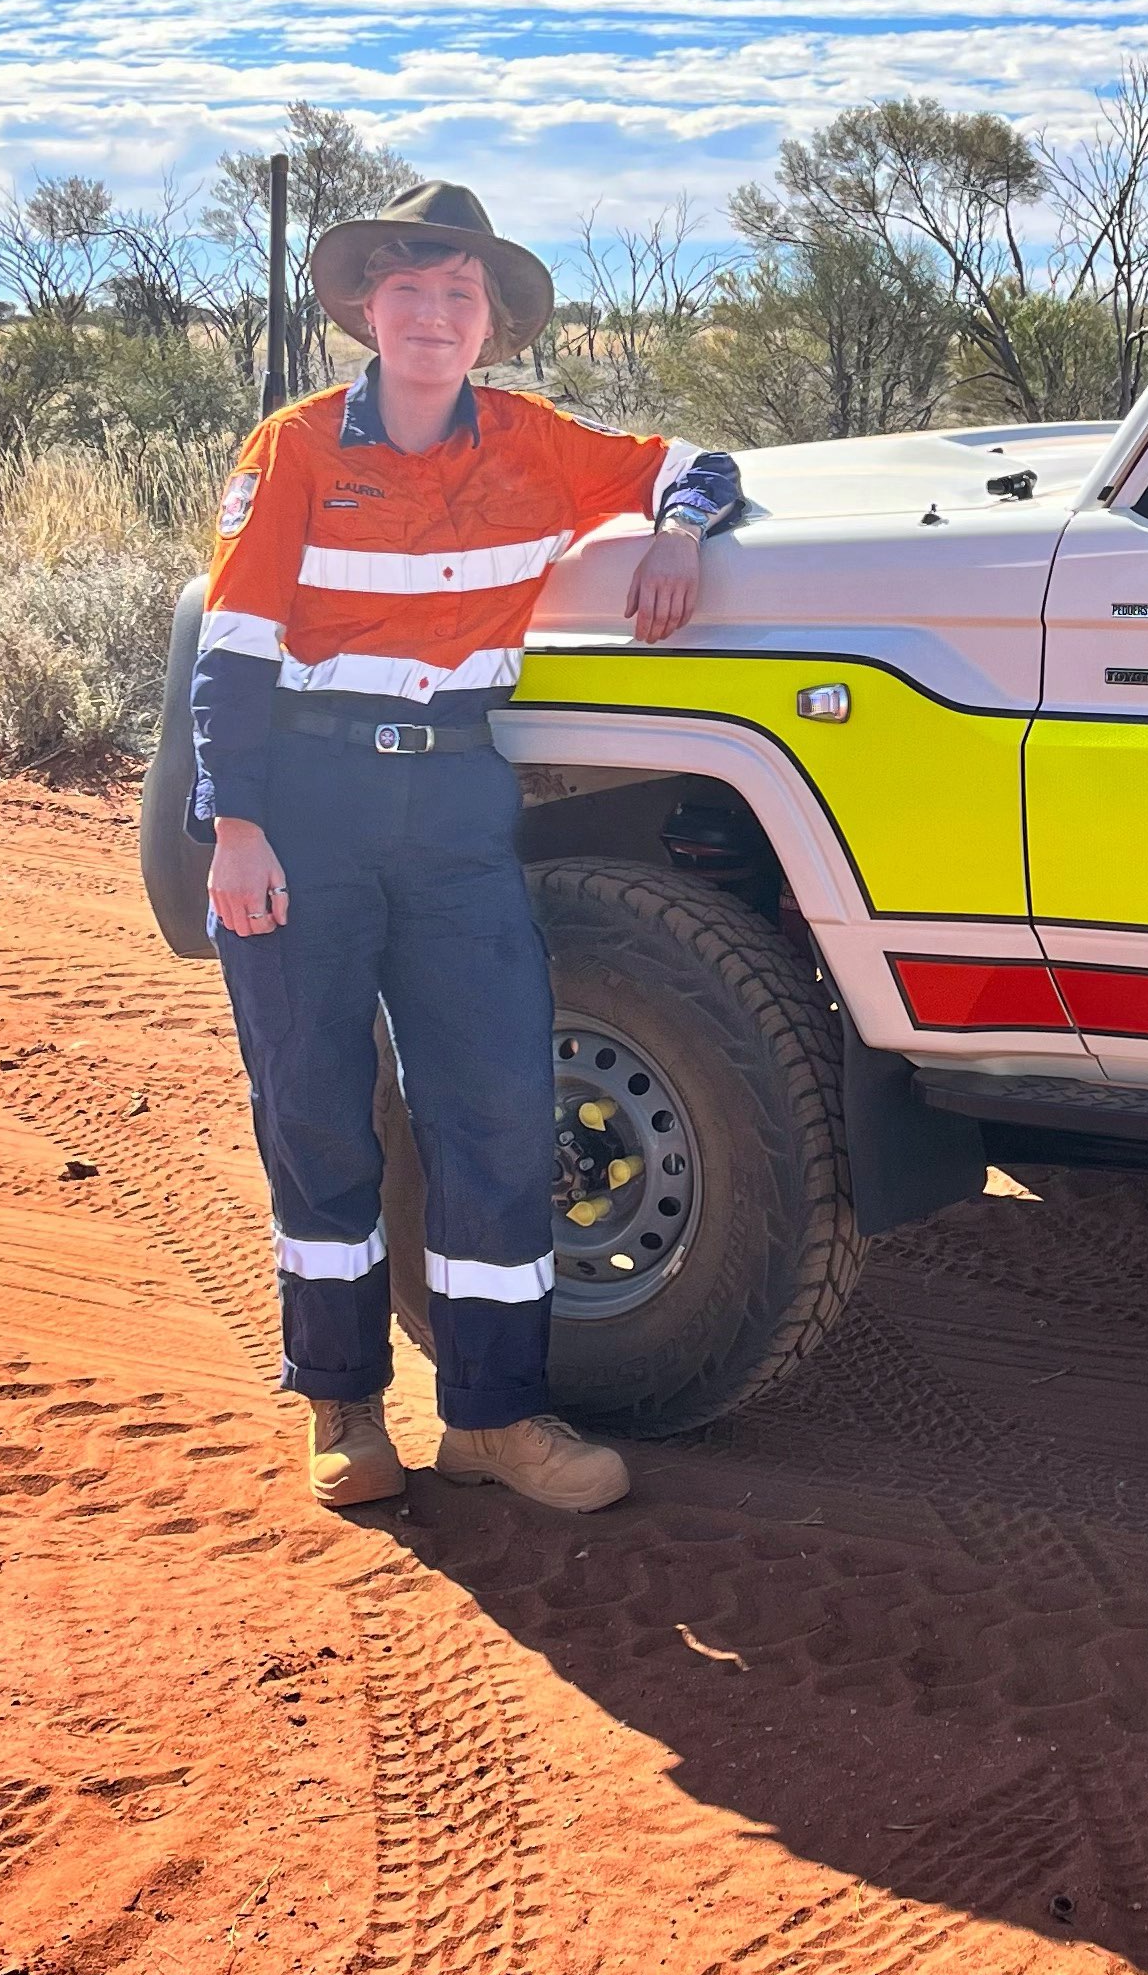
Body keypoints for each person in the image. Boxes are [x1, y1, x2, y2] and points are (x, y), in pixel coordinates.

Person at [192, 180, 742, 1514]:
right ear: (366, 309)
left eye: (459, 293)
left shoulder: (539, 442)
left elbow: (698, 465)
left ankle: (493, 1418)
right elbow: (233, 652)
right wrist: (237, 829)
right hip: (306, 807)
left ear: (490, 322)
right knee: (317, 1111)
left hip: (453, 810)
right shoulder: (296, 447)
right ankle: (341, 1405)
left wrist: (677, 534)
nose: (433, 314)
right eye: (410, 289)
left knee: (495, 1108)